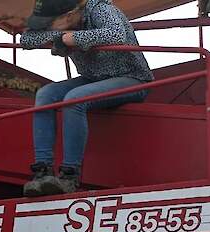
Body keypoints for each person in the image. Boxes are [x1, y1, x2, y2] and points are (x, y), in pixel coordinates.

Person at [21, 0, 153, 196]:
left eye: (49, 23)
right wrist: (59, 36)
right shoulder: (61, 25)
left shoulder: (100, 8)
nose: (44, 27)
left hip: (131, 78)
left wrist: (73, 38)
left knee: (74, 100)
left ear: (69, 16)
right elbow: (26, 39)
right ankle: (42, 171)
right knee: (45, 94)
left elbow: (116, 34)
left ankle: (69, 175)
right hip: (93, 78)